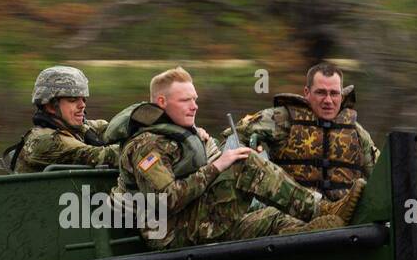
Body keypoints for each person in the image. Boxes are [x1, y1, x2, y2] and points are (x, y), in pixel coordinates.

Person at [106, 67, 362, 250]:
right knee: (243, 163)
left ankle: (320, 232)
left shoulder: (179, 135)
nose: (195, 106)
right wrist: (217, 166)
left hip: (195, 221)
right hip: (170, 234)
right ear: (161, 102)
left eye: (195, 99)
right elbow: (166, 200)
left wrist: (214, 152)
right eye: (186, 100)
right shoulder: (146, 146)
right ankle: (322, 208)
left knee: (272, 219)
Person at [229, 61, 417, 225]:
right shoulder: (279, 120)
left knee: (389, 190)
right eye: (321, 93)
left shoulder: (355, 133)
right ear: (306, 93)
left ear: (342, 94)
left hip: (348, 215)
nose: (328, 100)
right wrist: (253, 147)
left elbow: (382, 176)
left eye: (334, 93)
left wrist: (411, 203)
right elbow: (229, 140)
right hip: (295, 216)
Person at [3, 66, 120, 173]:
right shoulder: (47, 141)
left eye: (83, 99)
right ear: (51, 106)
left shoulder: (74, 127)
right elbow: (107, 156)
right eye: (73, 100)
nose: (82, 105)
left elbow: (116, 126)